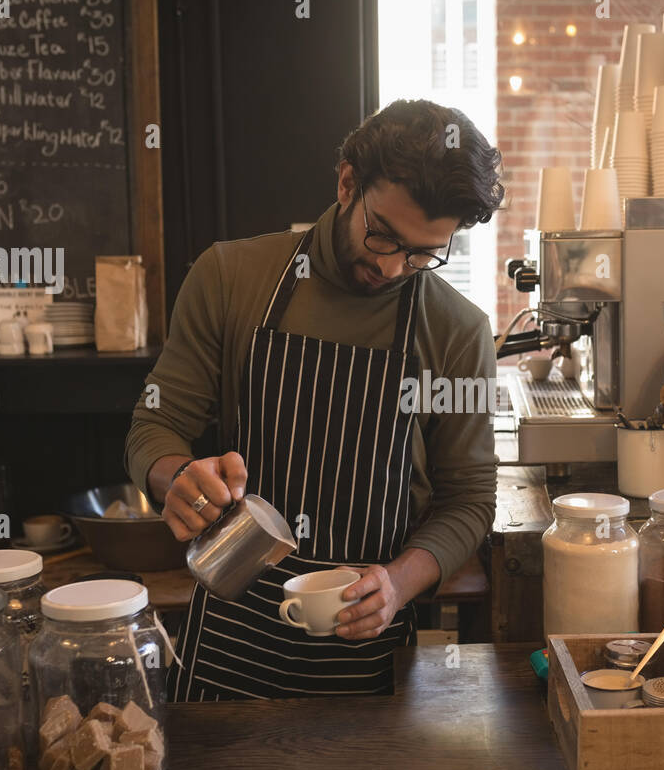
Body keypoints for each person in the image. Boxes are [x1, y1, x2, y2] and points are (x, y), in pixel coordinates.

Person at [125, 99, 503, 699]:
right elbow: (155, 425)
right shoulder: (229, 277)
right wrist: (175, 479)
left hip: (368, 654)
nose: (395, 266)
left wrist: (399, 584)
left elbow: (470, 499)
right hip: (230, 638)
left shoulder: (458, 331)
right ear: (348, 182)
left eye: (424, 254)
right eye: (383, 236)